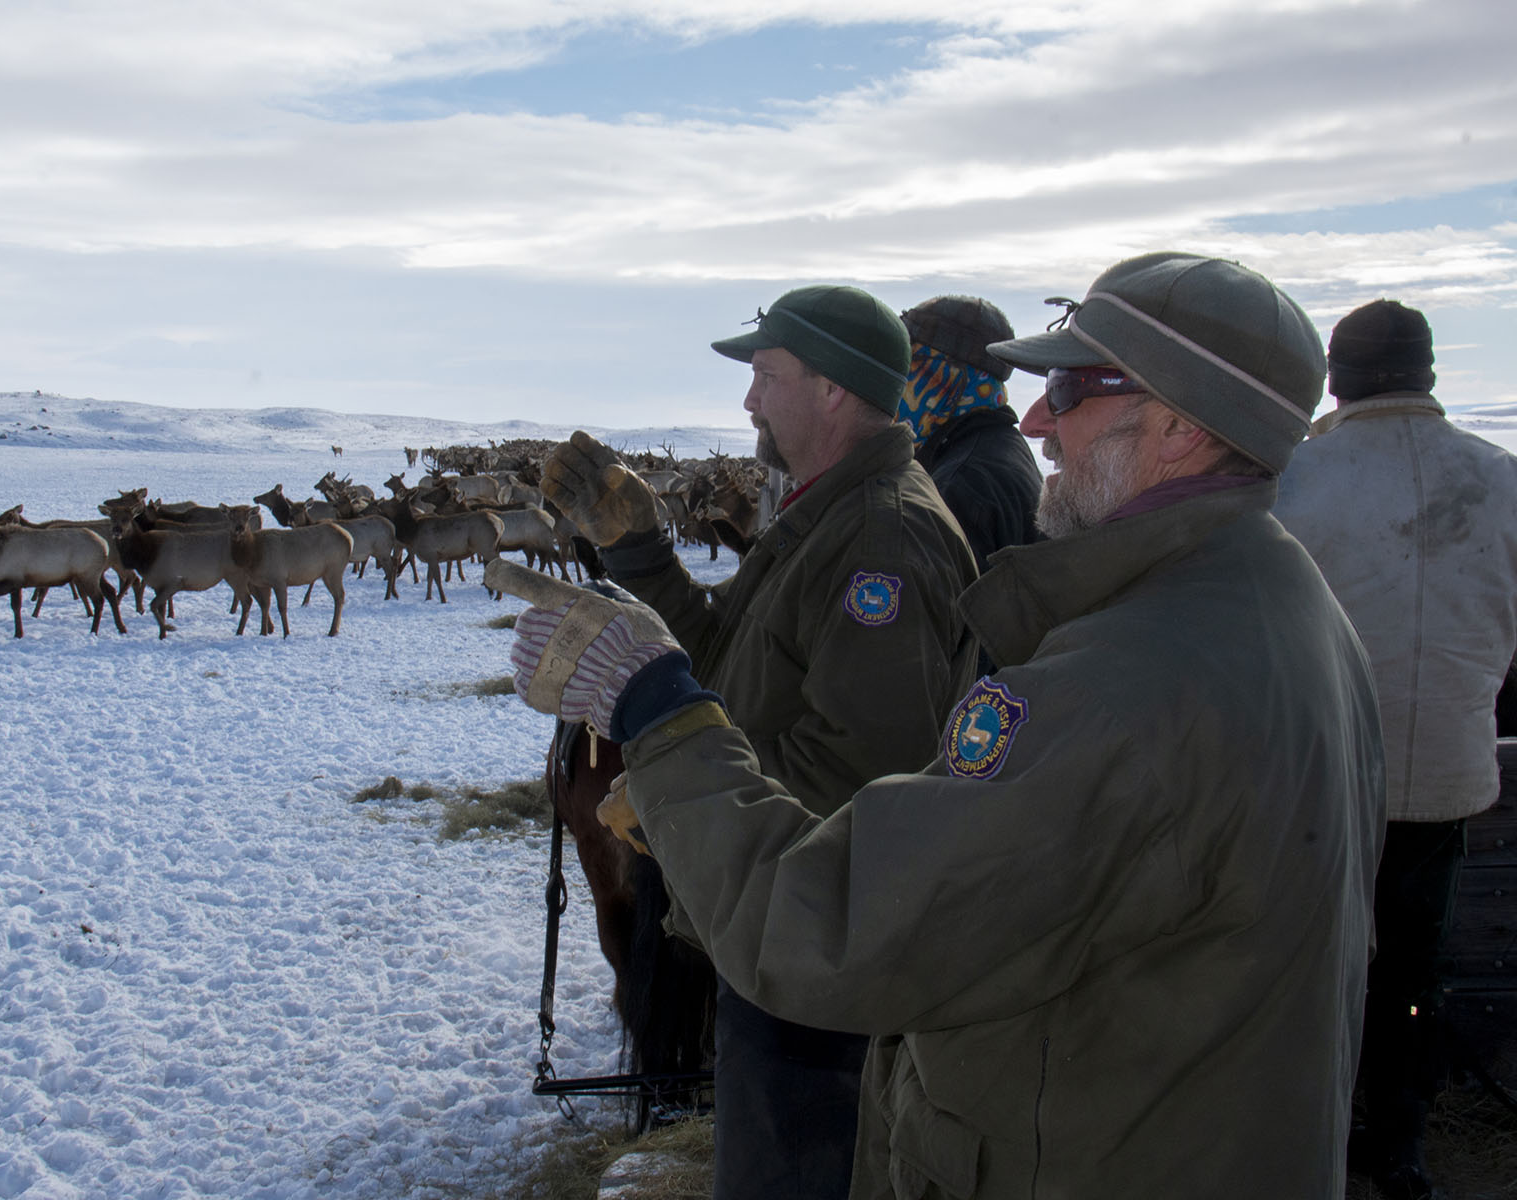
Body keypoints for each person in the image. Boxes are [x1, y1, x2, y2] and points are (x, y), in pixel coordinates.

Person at [500, 251, 1386, 1198]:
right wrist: (643, 564)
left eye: (1071, 388)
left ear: (1176, 428)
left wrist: (663, 727)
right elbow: (748, 672)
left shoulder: (1118, 675)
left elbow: (848, 893)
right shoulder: (1275, 602)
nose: (1036, 419)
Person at [541, 284, 979, 1200]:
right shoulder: (824, 517)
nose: (747, 401)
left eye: (765, 376)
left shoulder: (880, 546)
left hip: (822, 965)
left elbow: (859, 776)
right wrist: (641, 554)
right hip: (776, 931)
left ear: (833, 390)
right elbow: (724, 666)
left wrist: (671, 799)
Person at [1274, 299, 1517, 1200]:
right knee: (1415, 969)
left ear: (1336, 377)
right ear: (1429, 374)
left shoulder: (1298, 478)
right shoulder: (1502, 478)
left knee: (1318, 967)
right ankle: (1406, 1145)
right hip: (1450, 773)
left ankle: (1315, 1138)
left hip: (1323, 774)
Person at [895, 294, 1042, 572]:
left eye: (910, 361)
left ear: (948, 375)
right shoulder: (1002, 444)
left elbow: (952, 609)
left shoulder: (961, 483)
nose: (899, 380)